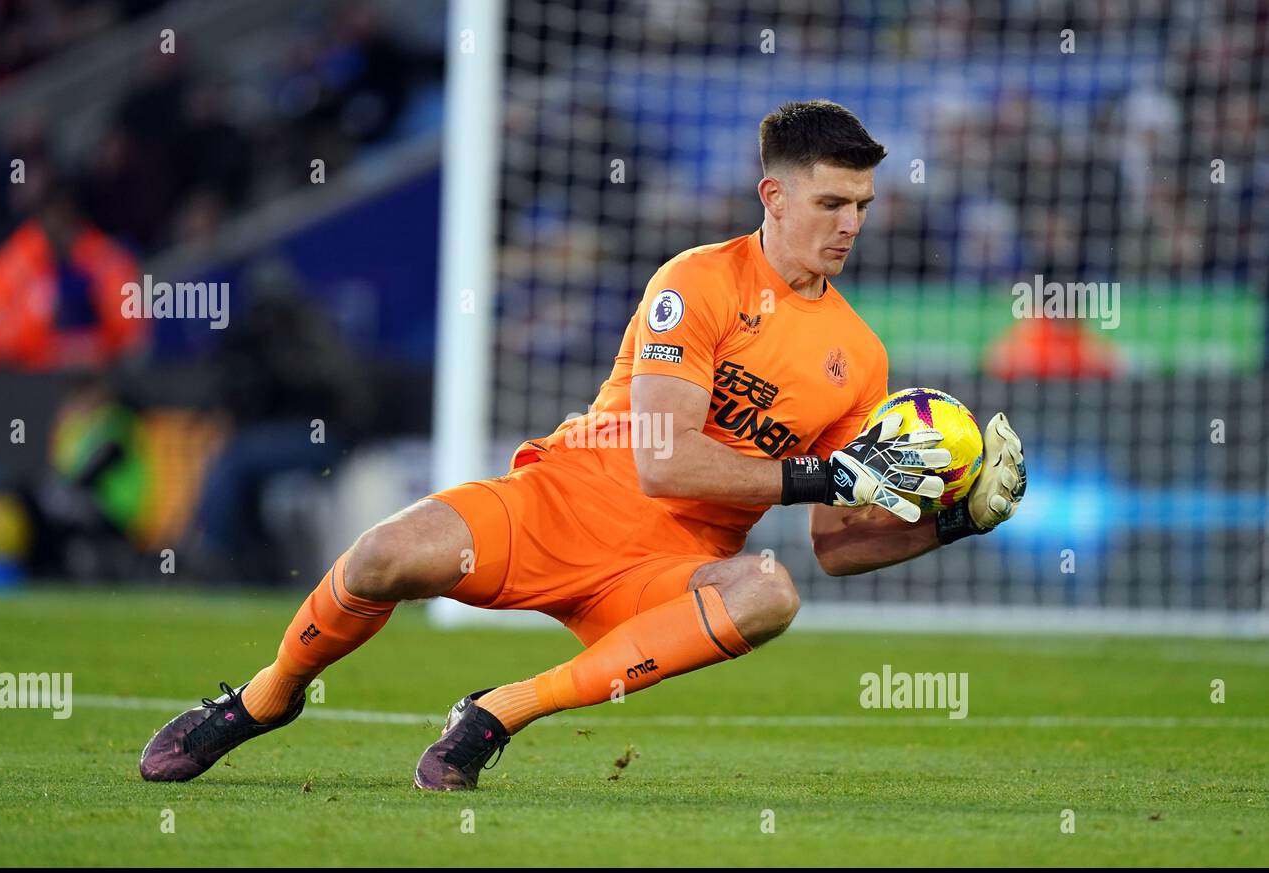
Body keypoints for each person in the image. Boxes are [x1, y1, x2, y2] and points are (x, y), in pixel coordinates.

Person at [139, 100, 1027, 790]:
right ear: (775, 196)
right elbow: (662, 460)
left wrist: (954, 523)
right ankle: (262, 700)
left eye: (862, 205)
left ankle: (497, 714)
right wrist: (823, 473)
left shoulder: (858, 357)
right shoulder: (698, 281)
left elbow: (836, 546)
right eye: (832, 202)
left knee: (771, 592)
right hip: (564, 502)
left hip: (666, 567)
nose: (850, 224)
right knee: (380, 557)